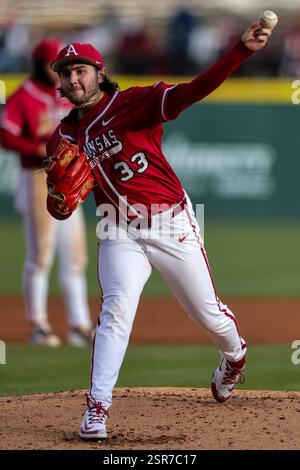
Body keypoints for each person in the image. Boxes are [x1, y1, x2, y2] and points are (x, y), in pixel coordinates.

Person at [47, 19, 273, 438]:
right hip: (117, 230)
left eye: (81, 70)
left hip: (170, 222)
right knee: (116, 312)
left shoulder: (135, 103)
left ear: (99, 72)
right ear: (59, 82)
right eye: (66, 73)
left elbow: (194, 90)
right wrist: (58, 201)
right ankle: (97, 407)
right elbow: (61, 199)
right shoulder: (62, 136)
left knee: (206, 314)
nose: (73, 78)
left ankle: (235, 354)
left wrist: (242, 50)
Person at [0, 39, 93, 347]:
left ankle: (79, 325)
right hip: (36, 177)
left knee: (76, 256)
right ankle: (37, 324)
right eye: (57, 67)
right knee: (41, 254)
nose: (64, 73)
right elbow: (5, 134)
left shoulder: (66, 94)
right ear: (41, 65)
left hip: (67, 179)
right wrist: (36, 149)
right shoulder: (24, 96)